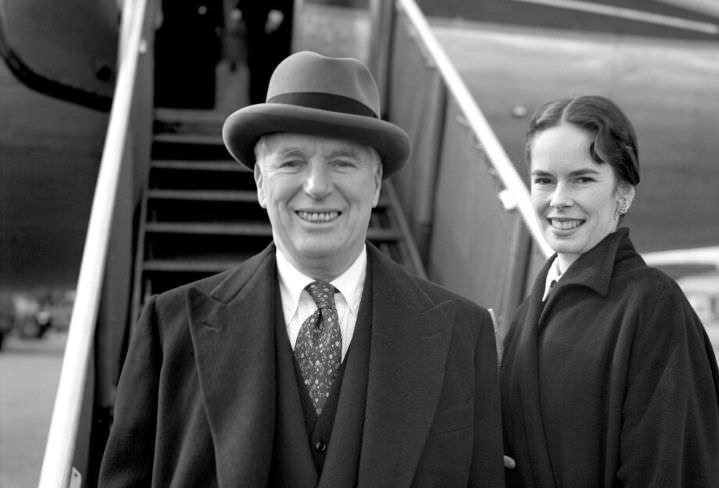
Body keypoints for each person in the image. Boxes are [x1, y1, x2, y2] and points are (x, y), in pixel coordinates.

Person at [98, 51, 504, 487]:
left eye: (342, 162)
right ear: (259, 182)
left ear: (375, 180)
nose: (316, 187)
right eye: (291, 162)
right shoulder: (169, 329)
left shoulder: (464, 334)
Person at [500, 95, 719, 488]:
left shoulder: (653, 307)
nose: (559, 200)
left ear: (624, 194)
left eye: (582, 179)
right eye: (544, 180)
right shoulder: (530, 309)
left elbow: (668, 470)